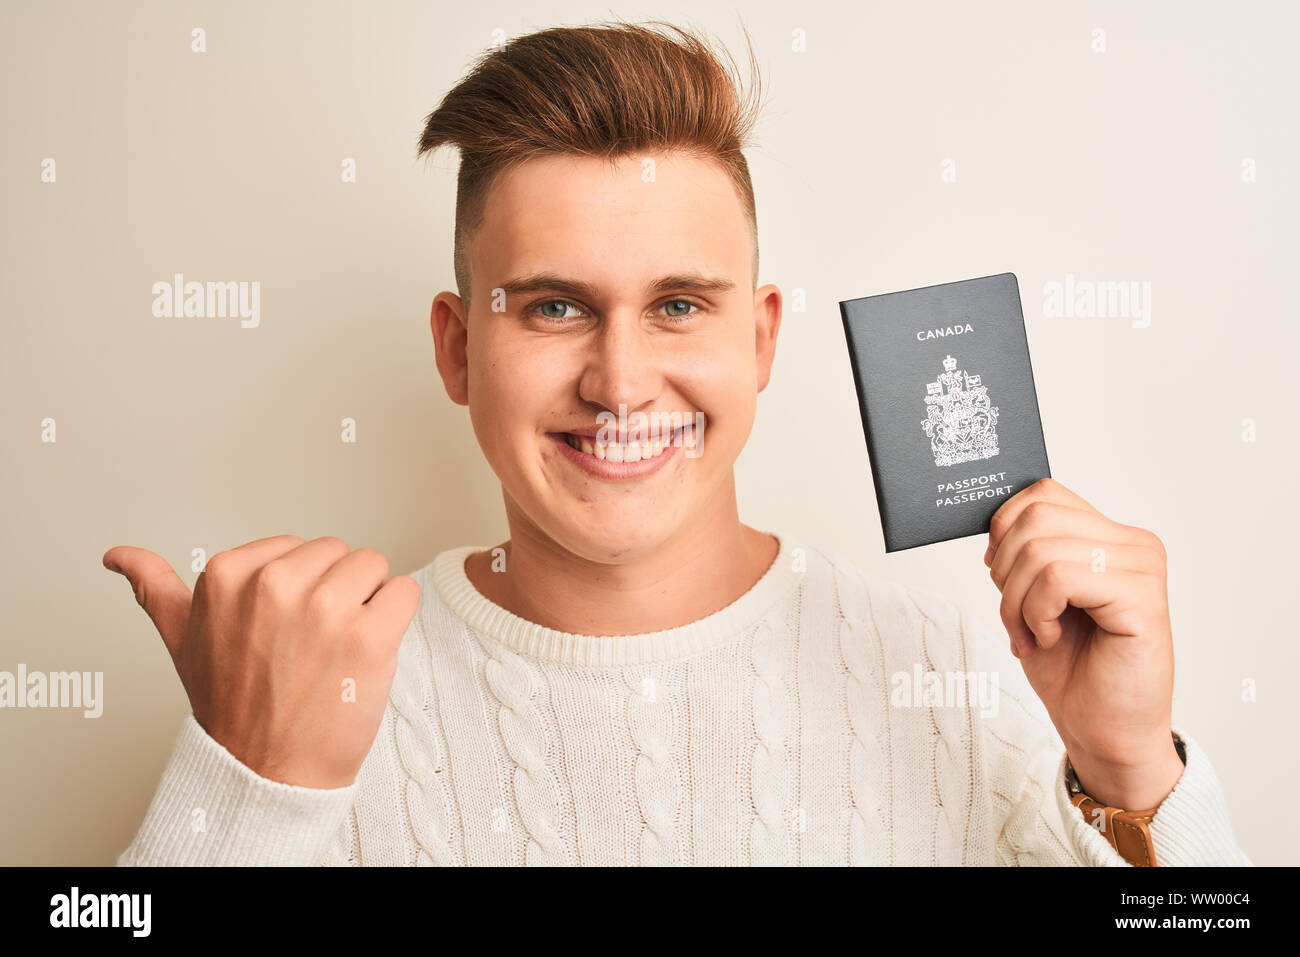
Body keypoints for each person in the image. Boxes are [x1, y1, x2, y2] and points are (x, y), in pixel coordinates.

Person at [104, 20, 1248, 866]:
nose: (619, 380)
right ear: (457, 351)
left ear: (758, 341)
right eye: (552, 307)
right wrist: (246, 795)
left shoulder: (955, 675)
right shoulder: (306, 688)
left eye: (678, 305)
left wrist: (1132, 768)